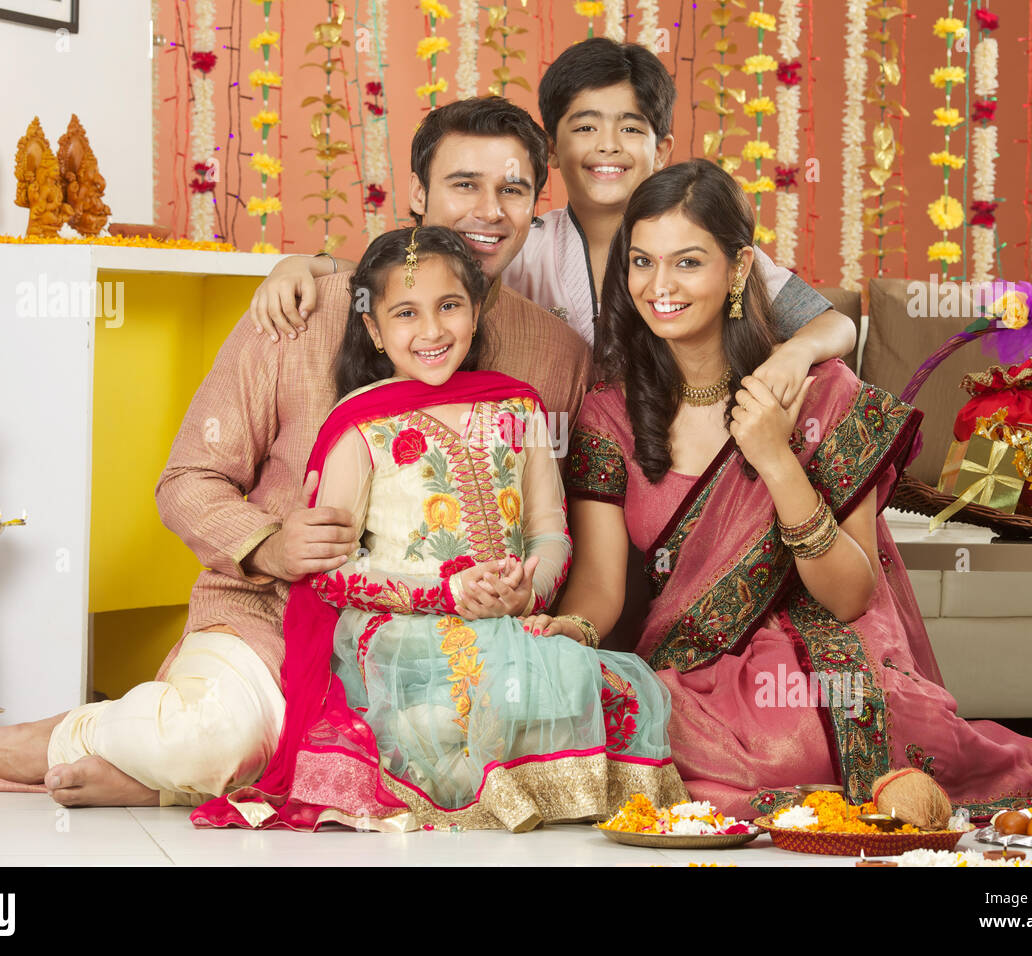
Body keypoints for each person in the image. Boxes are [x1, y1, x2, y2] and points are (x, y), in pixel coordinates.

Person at [0, 97, 595, 808]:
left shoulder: (556, 355)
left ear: (538, 204)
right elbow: (188, 478)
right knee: (209, 738)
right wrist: (271, 545)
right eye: (464, 184)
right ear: (417, 193)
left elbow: (548, 516)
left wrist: (529, 589)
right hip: (272, 617)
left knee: (525, 754)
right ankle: (74, 735)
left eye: (513, 189)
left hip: (446, 648)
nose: (488, 210)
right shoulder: (305, 308)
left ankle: (146, 776)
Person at [526, 160, 1032, 822]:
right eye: (642, 263)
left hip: (818, 644)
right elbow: (599, 583)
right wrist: (575, 627)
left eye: (687, 262)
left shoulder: (823, 393)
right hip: (692, 659)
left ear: (739, 270)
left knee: (799, 730)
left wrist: (774, 458)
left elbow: (851, 594)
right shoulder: (610, 411)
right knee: (602, 705)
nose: (660, 286)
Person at [191, 226, 685, 832]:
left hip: (507, 622)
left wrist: (527, 592)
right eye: (405, 313)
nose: (431, 331)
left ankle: (500, 773)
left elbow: (550, 530)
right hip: (404, 635)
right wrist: (447, 596)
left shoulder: (519, 409)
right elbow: (332, 575)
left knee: (604, 684)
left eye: (449, 306)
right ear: (373, 329)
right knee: (452, 707)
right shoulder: (360, 425)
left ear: (476, 313)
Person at [250, 40, 855, 410]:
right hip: (557, 470)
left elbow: (832, 324)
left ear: (663, 147)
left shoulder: (697, 242)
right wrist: (307, 265)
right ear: (553, 147)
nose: (608, 147)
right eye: (585, 126)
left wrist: (792, 355)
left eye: (632, 128)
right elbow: (409, 280)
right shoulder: (522, 240)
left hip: (676, 463)